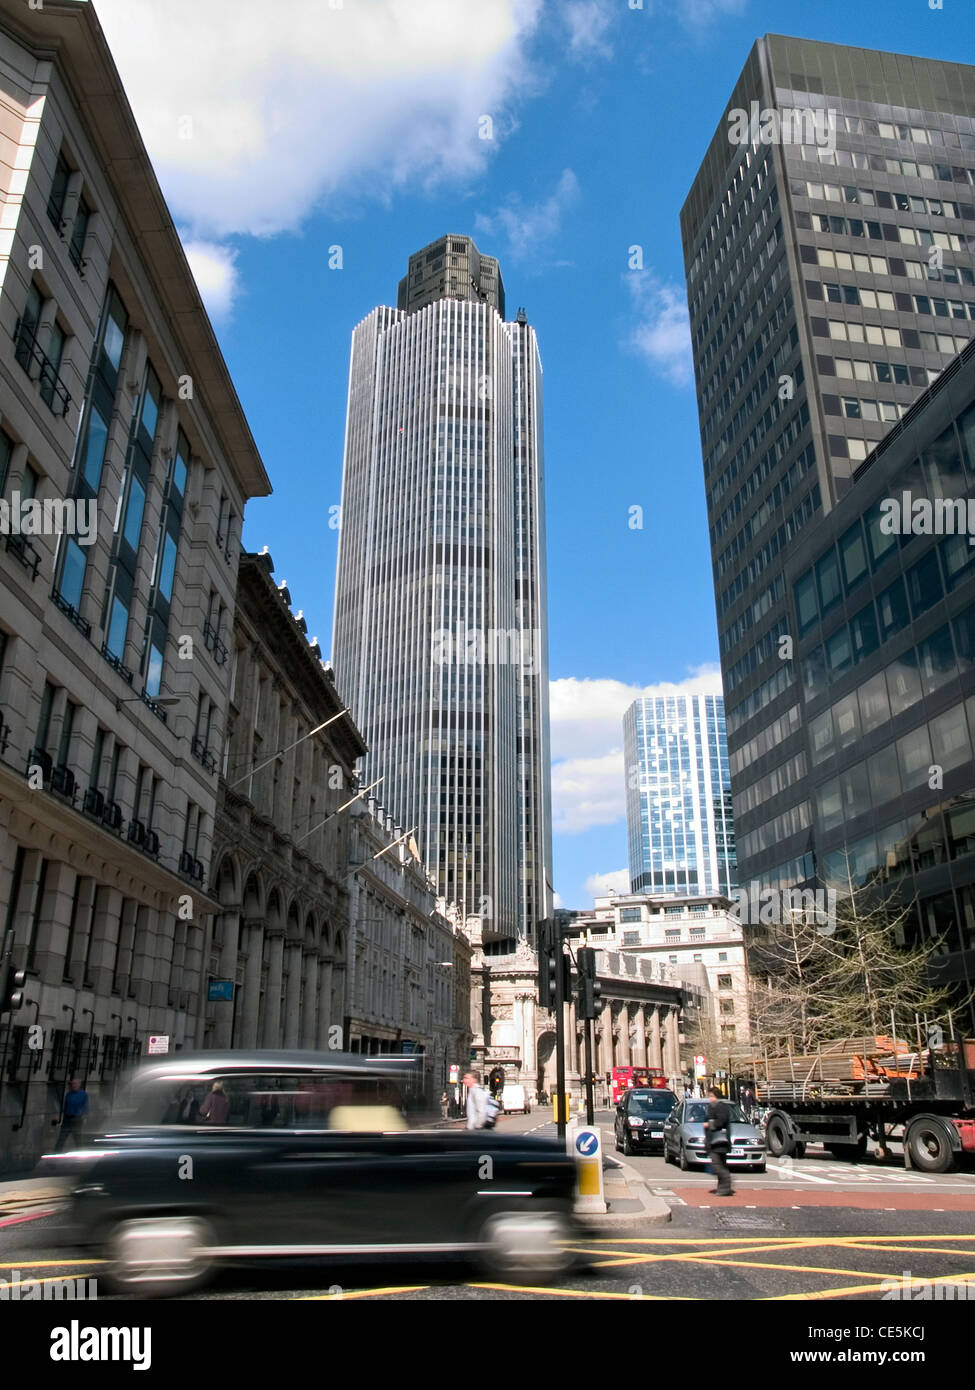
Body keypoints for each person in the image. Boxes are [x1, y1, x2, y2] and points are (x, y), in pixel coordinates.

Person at [705, 1086, 734, 1196]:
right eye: (710, 1096)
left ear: (717, 1096)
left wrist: (709, 1124)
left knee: (717, 1166)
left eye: (711, 1096)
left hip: (719, 1142)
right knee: (720, 1165)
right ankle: (723, 1188)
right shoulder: (712, 1106)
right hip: (714, 1141)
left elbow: (721, 1121)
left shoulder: (721, 1107)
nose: (710, 1098)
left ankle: (726, 1184)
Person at [57, 1078, 90, 1150]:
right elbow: (65, 1106)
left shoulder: (83, 1095)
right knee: (61, 1138)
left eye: (75, 1084)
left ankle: (80, 1151)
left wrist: (84, 1117)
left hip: (77, 1119)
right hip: (67, 1118)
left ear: (79, 1085)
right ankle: (57, 1151)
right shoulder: (68, 1094)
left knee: (77, 1138)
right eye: (72, 1084)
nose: (74, 1085)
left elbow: (86, 1106)